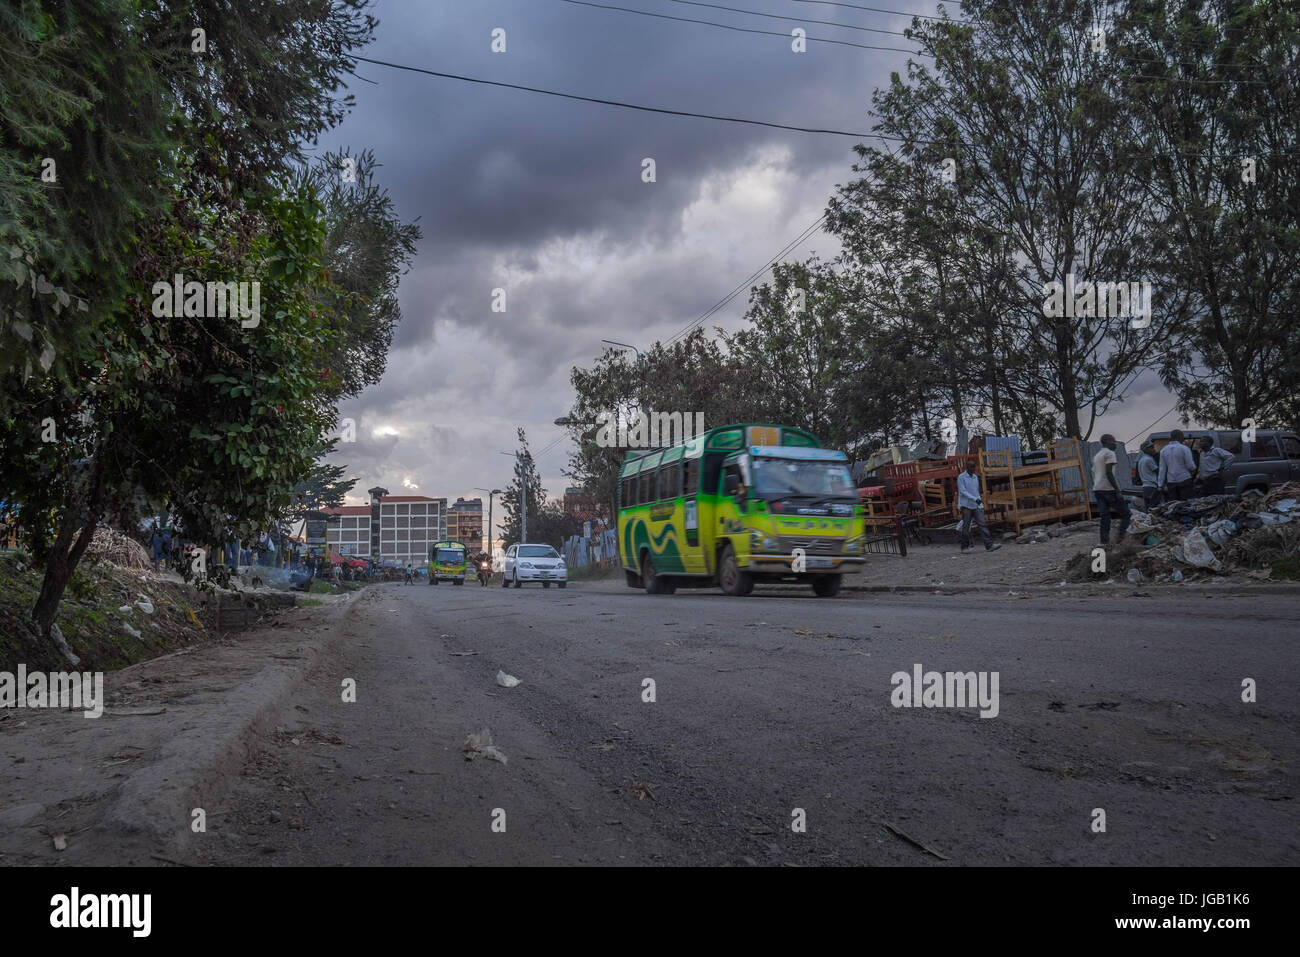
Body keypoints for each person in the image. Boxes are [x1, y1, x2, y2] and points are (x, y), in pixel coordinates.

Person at [1092, 433, 1131, 545]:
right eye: (1113, 441)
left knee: (1105, 516)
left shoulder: (1097, 455)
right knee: (1126, 514)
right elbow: (1108, 472)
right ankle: (1120, 537)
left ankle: (1104, 541)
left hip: (1097, 489)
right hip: (1108, 489)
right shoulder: (1110, 453)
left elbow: (1096, 471)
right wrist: (1117, 490)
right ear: (1108, 441)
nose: (1115, 444)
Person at [956, 459, 1001, 553]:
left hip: (976, 505)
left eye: (974, 467)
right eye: (971, 467)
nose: (973, 469)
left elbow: (976, 491)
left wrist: (979, 503)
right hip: (966, 505)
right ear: (967, 467)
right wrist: (974, 499)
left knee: (982, 524)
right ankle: (964, 547)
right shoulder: (961, 477)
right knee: (966, 526)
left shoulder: (975, 477)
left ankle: (989, 545)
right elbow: (963, 491)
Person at [1158, 430, 1196, 501]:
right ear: (1180, 437)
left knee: (1174, 503)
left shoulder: (1163, 450)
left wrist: (1160, 484)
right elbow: (1191, 466)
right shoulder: (1184, 448)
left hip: (1171, 481)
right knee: (1185, 502)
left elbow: (1162, 469)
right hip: (1184, 479)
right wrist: (1193, 472)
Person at [1136, 441, 1161, 510]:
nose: (1154, 449)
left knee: (1148, 509)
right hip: (1152, 487)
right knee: (1154, 508)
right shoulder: (1149, 459)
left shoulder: (1141, 460)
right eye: (1151, 448)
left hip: (1145, 488)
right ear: (1146, 450)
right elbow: (1158, 472)